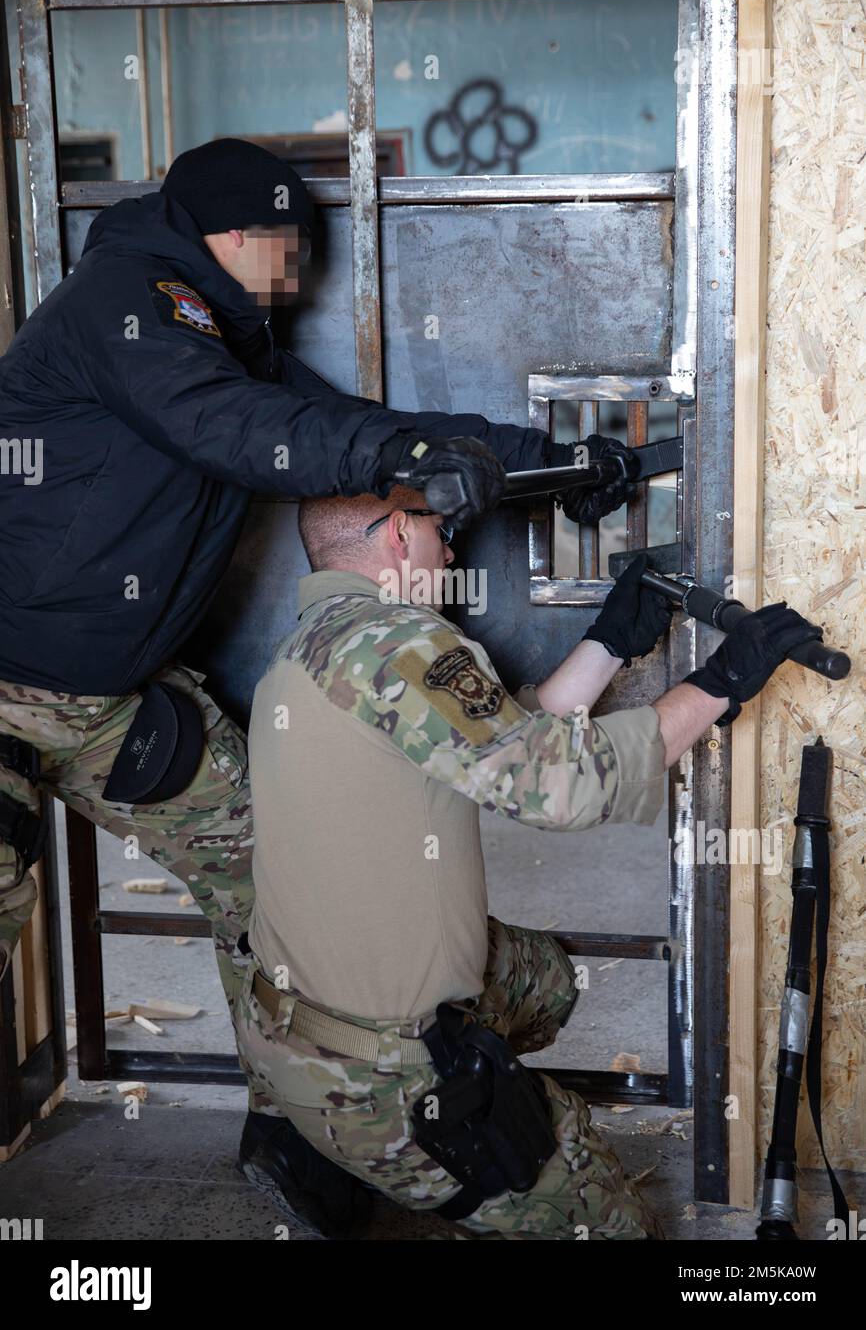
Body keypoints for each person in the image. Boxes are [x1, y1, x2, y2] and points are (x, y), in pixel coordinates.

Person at [0, 137, 630, 1234]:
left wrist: (545, 460)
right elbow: (253, 434)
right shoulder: (129, 303)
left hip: (106, 700)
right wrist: (448, 457)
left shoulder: (222, 333)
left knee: (272, 887)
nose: (298, 273)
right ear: (236, 240)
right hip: (5, 685)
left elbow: (350, 436)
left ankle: (305, 1127)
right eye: (289, 249)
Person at [233, 485, 822, 1240]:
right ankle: (401, 1157)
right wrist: (719, 685)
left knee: (545, 981)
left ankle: (358, 1150)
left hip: (287, 1031)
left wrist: (610, 642)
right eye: (439, 530)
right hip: (372, 1080)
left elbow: (502, 741)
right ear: (395, 537)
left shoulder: (317, 645)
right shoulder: (402, 644)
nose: (450, 549)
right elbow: (560, 788)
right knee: (615, 1229)